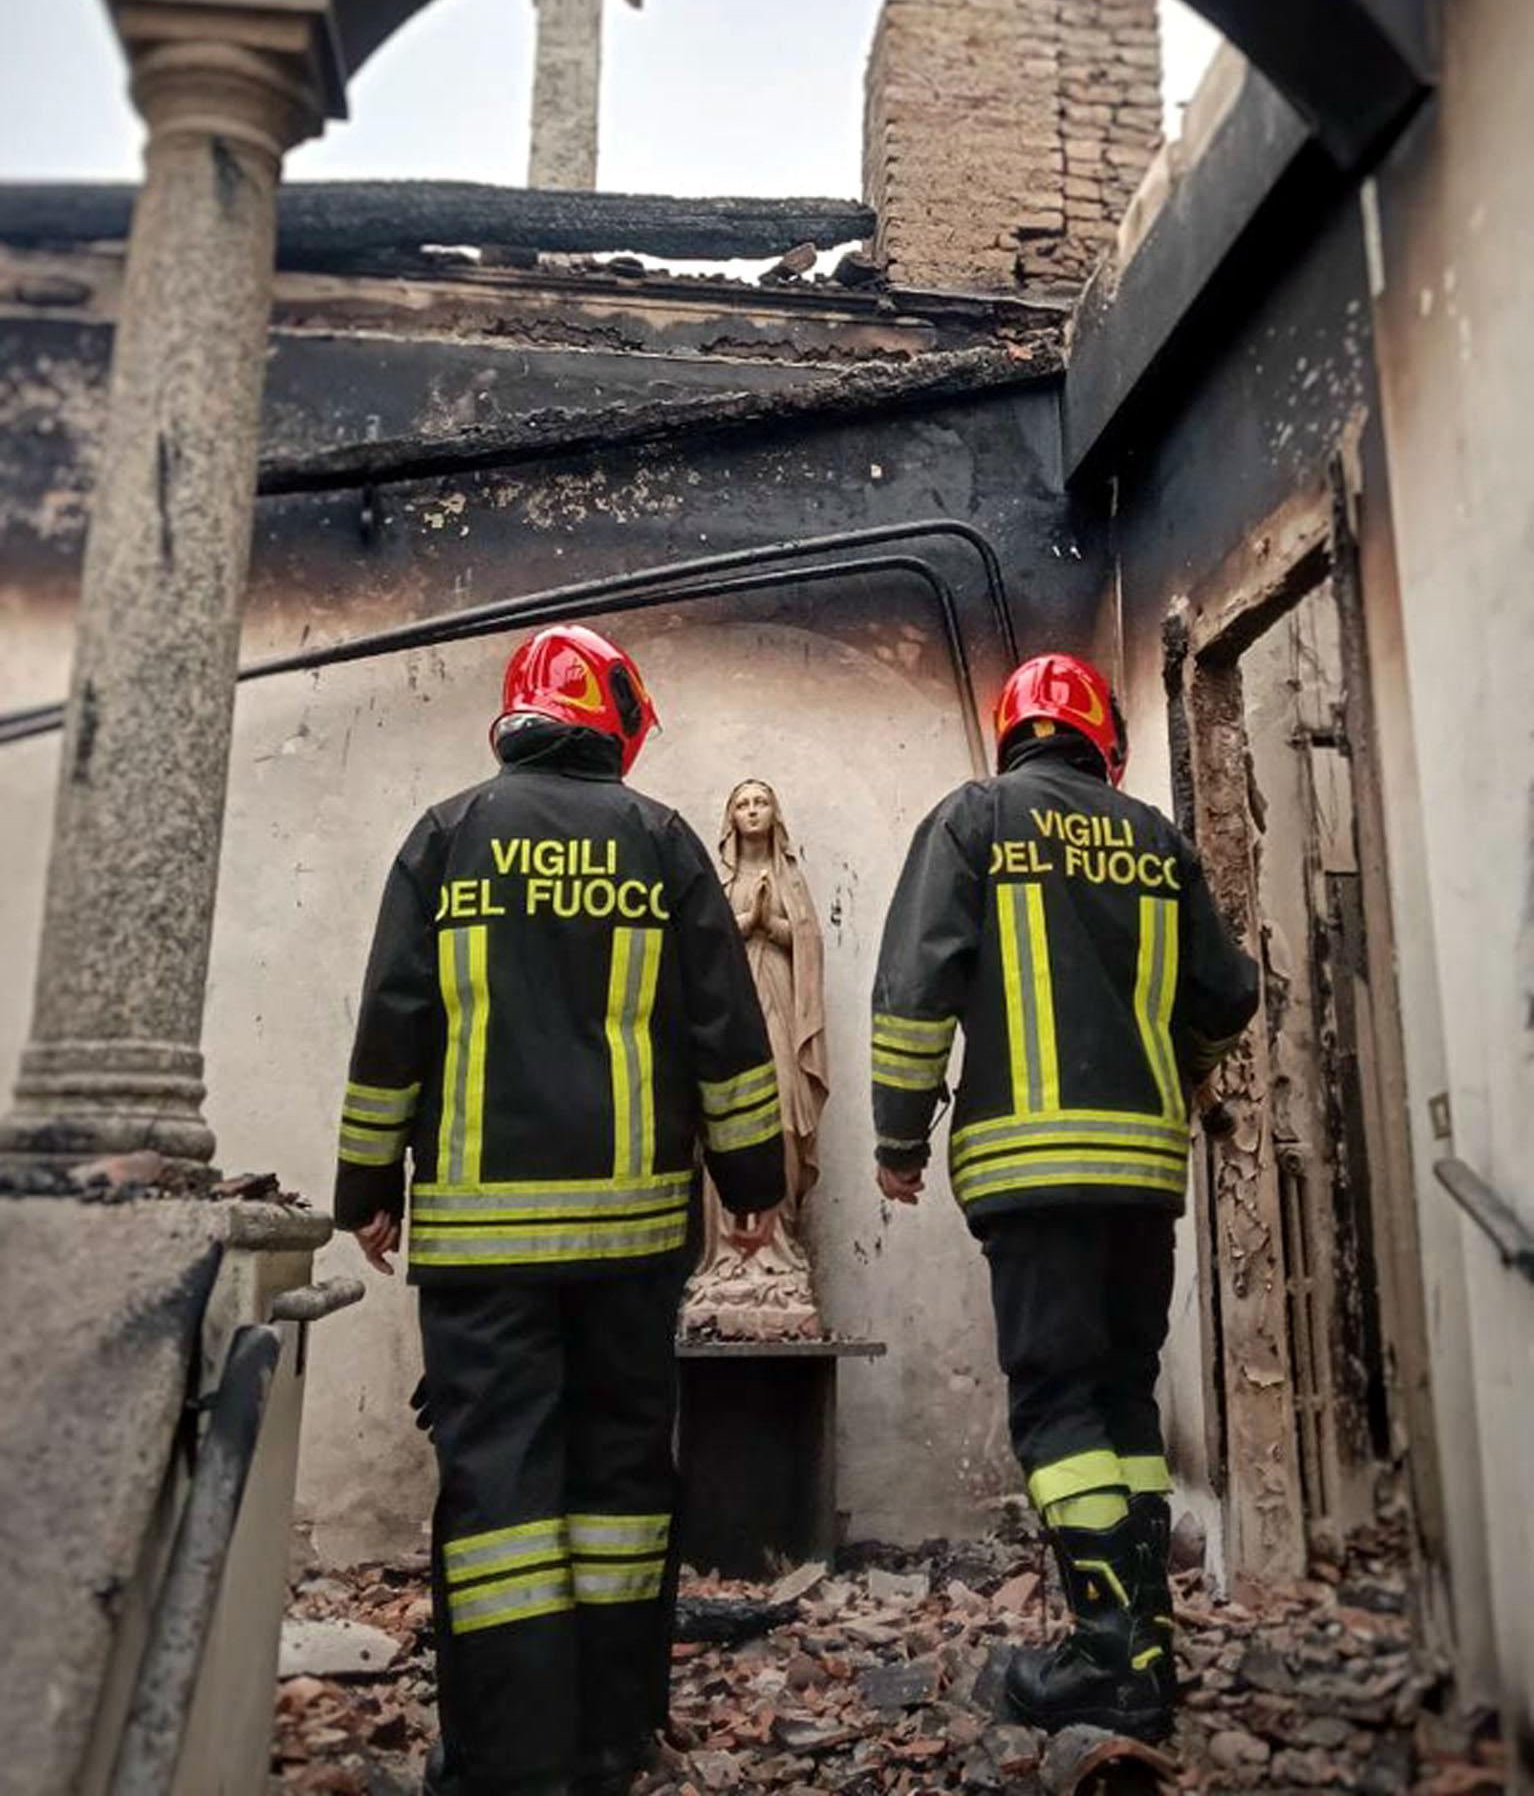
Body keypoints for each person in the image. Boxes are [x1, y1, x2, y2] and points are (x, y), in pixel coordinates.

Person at [331, 624, 786, 1796]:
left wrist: (365, 1187)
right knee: (625, 1487)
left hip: (483, 1250)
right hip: (633, 1242)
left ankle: (506, 1751)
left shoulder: (446, 837)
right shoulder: (663, 841)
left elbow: (393, 1028)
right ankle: (611, 1733)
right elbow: (728, 1031)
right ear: (615, 717)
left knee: (500, 1497)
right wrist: (750, 1182)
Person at [869, 651, 1258, 1742]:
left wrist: (899, 1135)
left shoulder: (975, 819)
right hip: (1141, 1170)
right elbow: (1228, 991)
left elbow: (912, 992)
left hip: (1029, 1174)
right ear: (1103, 740)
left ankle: (1105, 1657)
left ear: (1011, 732)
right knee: (1122, 1398)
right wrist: (1185, 1065)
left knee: (1055, 1404)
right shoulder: (1156, 839)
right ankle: (1142, 1643)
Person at [691, 779, 828, 1292]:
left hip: (781, 1012)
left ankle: (780, 1247)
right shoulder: (717, 884)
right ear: (731, 818)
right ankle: (725, 1255)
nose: (752, 811)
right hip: (732, 1015)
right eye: (743, 804)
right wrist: (742, 922)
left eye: (761, 802)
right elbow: (699, 952)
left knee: (786, 1124)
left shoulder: (790, 880)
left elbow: (810, 946)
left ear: (775, 813)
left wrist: (772, 925)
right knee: (727, 1117)